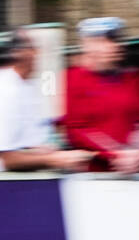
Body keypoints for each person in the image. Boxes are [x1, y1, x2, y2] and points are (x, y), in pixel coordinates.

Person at [62, 17, 139, 173]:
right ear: (88, 45)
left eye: (117, 40)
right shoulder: (72, 78)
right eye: (105, 41)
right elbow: (75, 128)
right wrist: (115, 153)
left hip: (136, 171)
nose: (115, 46)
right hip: (94, 175)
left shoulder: (136, 77)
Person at [0, 27, 94, 172]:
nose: (41, 54)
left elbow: (50, 126)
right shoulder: (6, 88)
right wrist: (54, 159)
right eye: (35, 48)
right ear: (19, 53)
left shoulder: (40, 82)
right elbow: (7, 159)